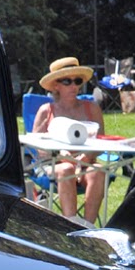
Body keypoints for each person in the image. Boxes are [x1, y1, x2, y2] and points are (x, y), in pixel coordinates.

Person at [33, 56, 107, 223]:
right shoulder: (46, 111)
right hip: (53, 164)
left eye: (77, 81)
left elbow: (102, 142)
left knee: (98, 171)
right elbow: (39, 149)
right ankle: (70, 225)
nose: (74, 86)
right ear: (56, 85)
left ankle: (87, 229)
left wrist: (87, 156)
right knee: (66, 169)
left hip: (86, 162)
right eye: (67, 81)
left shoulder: (92, 109)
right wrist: (61, 155)